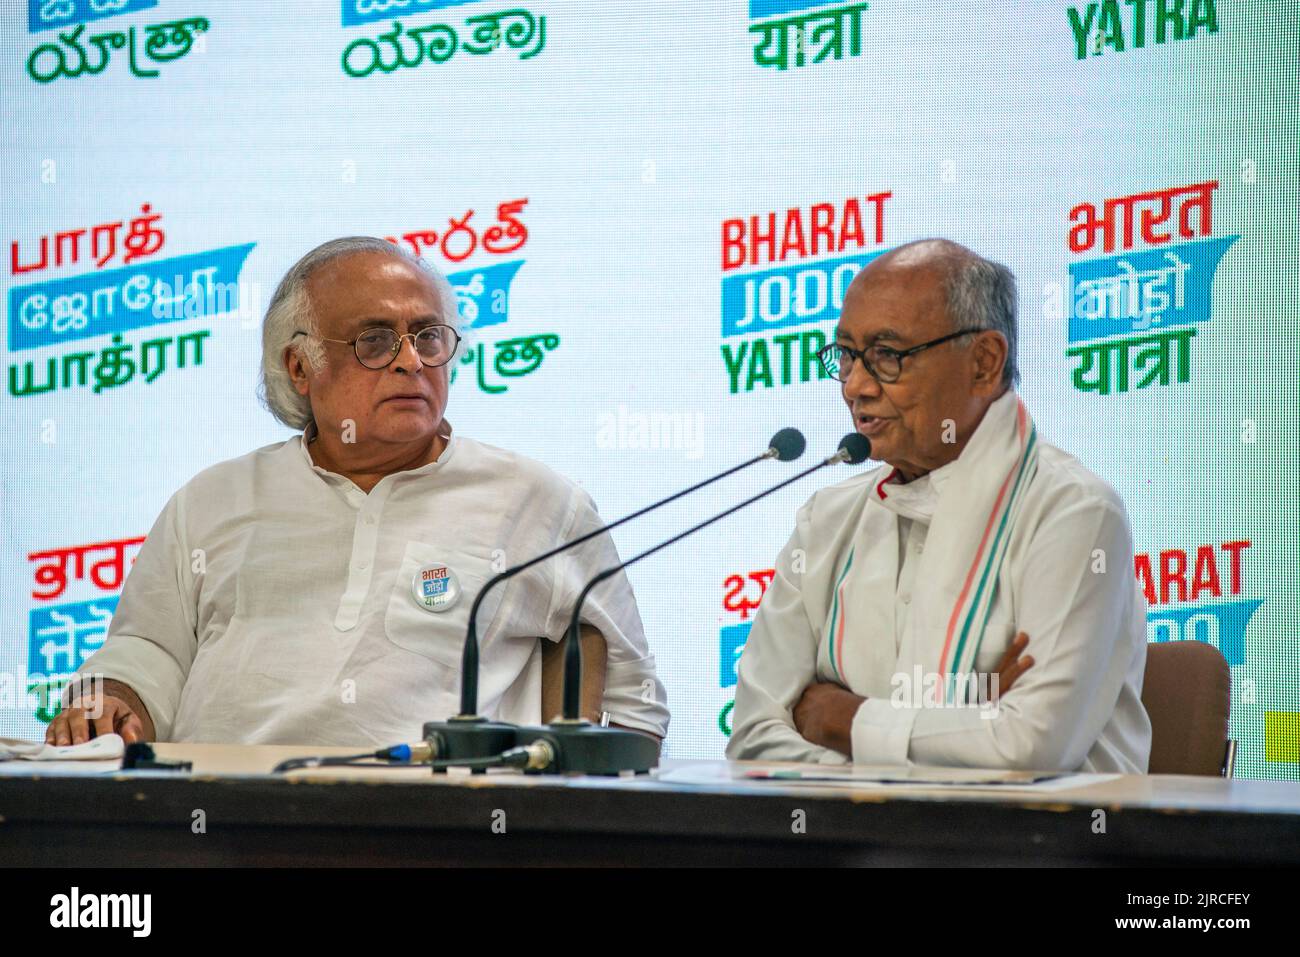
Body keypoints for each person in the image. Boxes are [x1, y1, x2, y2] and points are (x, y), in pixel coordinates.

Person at [48, 237, 669, 747]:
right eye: (374, 341)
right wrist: (105, 700)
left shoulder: (539, 501)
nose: (412, 361)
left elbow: (633, 702)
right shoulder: (211, 500)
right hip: (222, 817)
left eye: (428, 337)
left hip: (441, 832)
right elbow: (145, 648)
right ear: (300, 367)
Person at [727, 239, 1151, 772]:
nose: (856, 385)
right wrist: (961, 728)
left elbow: (1032, 746)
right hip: (851, 846)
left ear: (984, 362)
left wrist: (843, 720)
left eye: (886, 355)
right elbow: (753, 737)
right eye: (847, 355)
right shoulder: (827, 521)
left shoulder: (1073, 514)